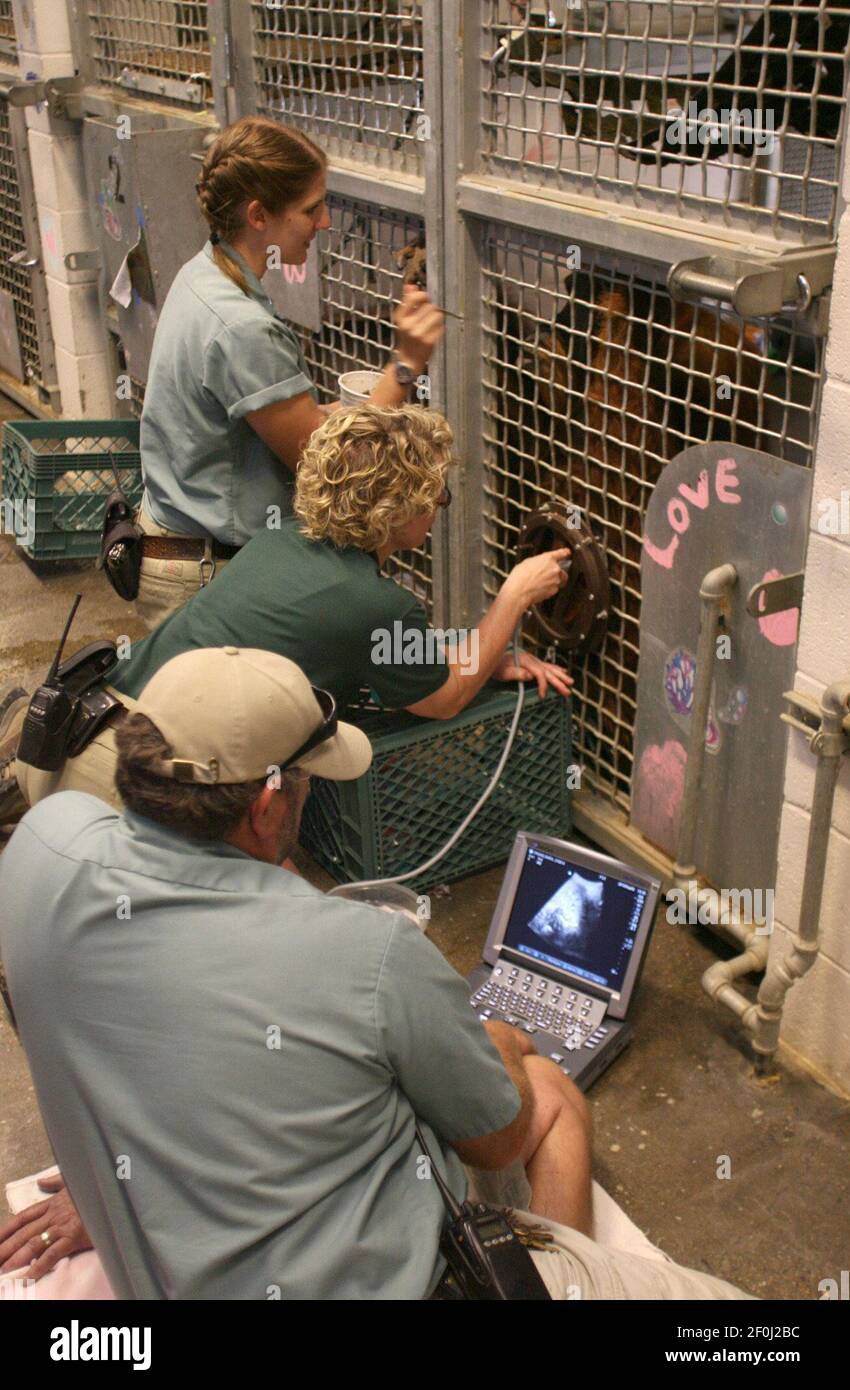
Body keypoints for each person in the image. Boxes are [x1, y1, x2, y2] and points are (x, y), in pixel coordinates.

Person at [0, 647, 753, 1300]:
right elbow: (496, 1143)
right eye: (303, 782)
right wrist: (499, 1045)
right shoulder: (366, 953)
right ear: (266, 807)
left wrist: (119, 1182)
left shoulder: (41, 847)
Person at [2, 405, 573, 819]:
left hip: (71, 736)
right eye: (434, 496)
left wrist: (481, 652)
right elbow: (445, 698)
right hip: (128, 786)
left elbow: (369, 643)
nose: (438, 507)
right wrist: (514, 597)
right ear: (395, 511)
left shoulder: (282, 542)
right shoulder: (376, 602)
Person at [134, 115, 445, 628]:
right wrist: (407, 363)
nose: (325, 222)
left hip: (177, 541)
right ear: (259, 215)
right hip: (205, 576)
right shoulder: (241, 326)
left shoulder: (204, 272)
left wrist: (312, 412)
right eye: (311, 209)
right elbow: (337, 468)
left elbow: (244, 420)